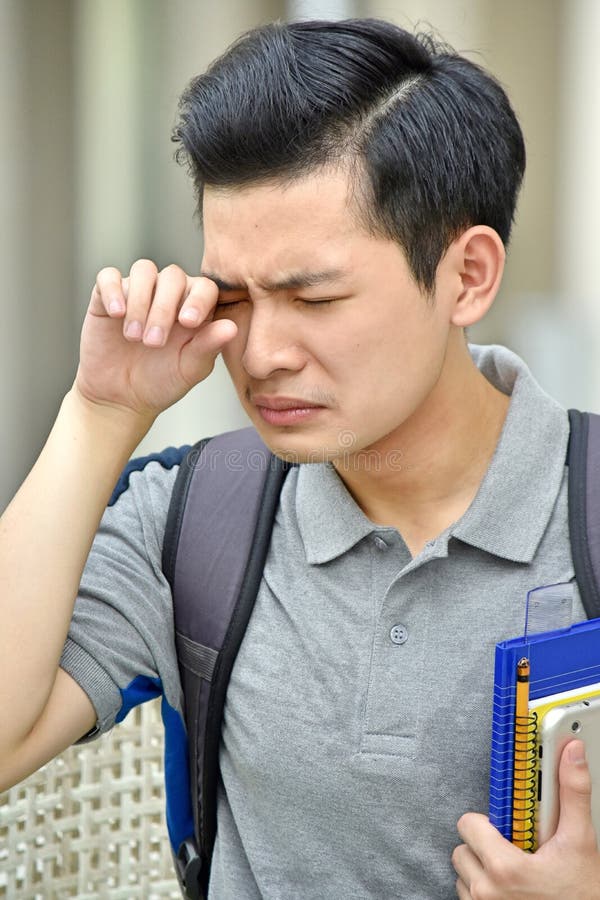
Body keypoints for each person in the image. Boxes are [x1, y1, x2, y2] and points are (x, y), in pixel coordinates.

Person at [0, 16, 598, 899]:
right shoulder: (196, 519)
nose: (262, 351)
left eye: (312, 297)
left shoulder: (581, 511)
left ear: (467, 276)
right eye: (235, 295)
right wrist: (100, 412)